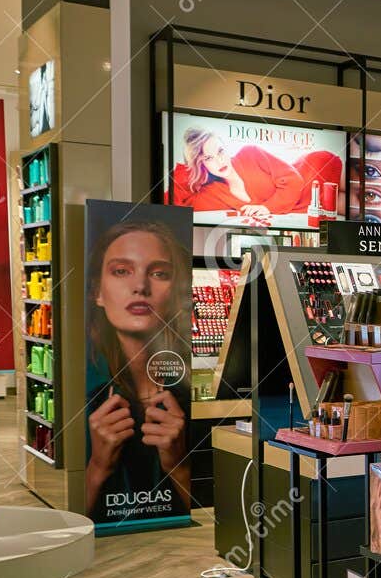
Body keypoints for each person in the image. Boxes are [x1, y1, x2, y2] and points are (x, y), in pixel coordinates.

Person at [84, 218, 192, 521]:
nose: (140, 287)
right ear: (98, 292)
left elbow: (206, 523)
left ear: (176, 294)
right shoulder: (87, 397)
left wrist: (178, 466)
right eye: (122, 271)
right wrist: (98, 468)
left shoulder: (186, 397)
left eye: (159, 273)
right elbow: (69, 526)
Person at [171, 127, 341, 224]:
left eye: (220, 151)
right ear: (199, 164)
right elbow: (173, 199)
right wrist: (189, 167)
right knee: (342, 209)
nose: (219, 161)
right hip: (307, 209)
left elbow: (293, 180)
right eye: (208, 158)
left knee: (355, 194)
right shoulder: (210, 192)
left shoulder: (250, 153)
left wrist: (267, 208)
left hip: (308, 178)